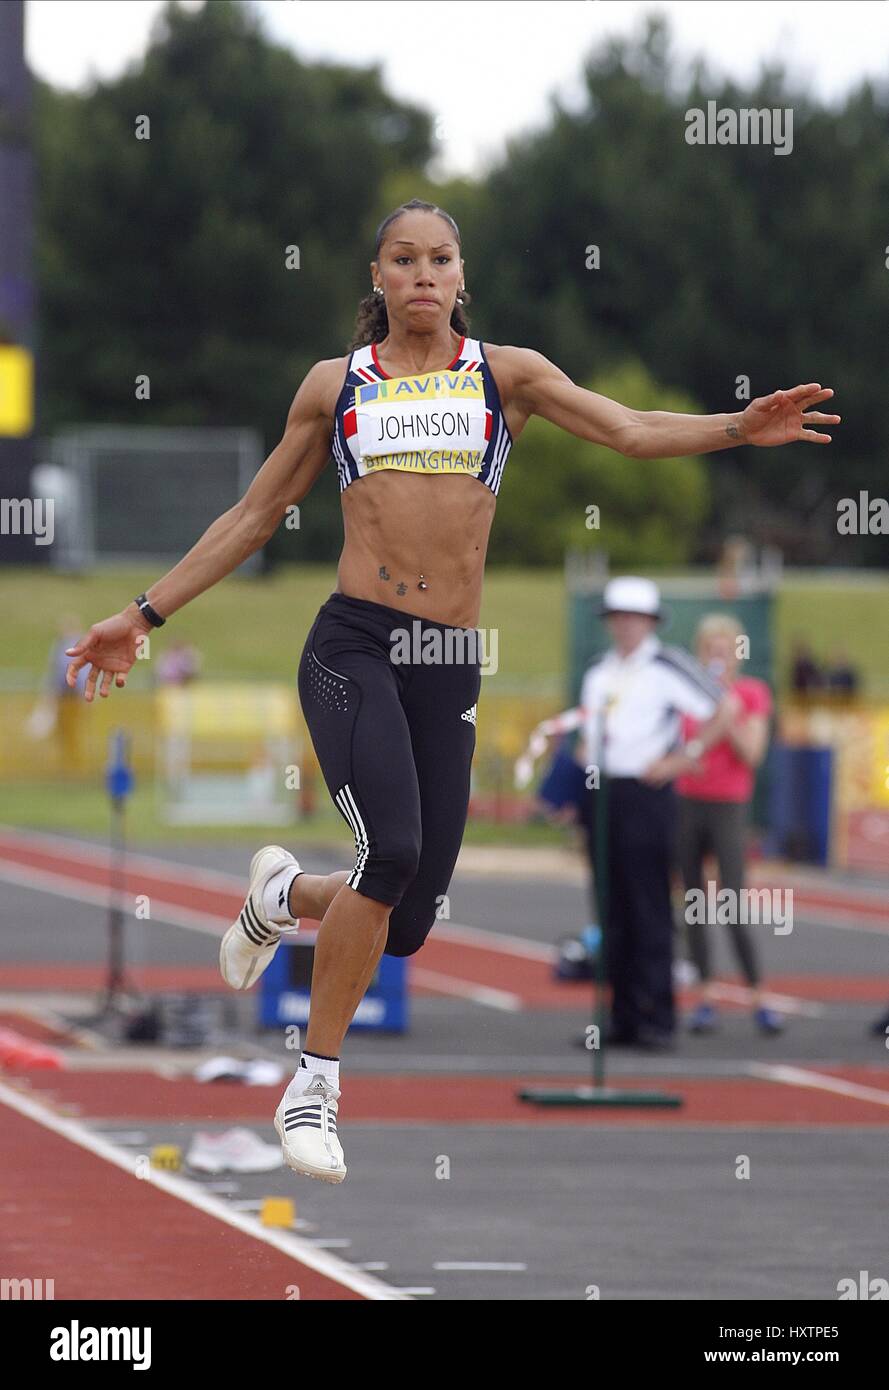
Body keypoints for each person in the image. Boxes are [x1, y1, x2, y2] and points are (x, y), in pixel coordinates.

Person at [64, 198, 840, 1180]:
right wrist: (143, 613)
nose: (423, 275)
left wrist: (738, 425)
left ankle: (279, 893)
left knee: (409, 919)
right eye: (404, 259)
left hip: (447, 661)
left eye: (439, 259)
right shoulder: (334, 385)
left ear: (460, 278)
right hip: (352, 646)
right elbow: (255, 516)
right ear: (379, 278)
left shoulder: (504, 377)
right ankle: (313, 1082)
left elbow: (630, 429)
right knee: (388, 850)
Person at [572, 577, 740, 1048]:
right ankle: (623, 1014)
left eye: (633, 617)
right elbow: (589, 727)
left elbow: (723, 707)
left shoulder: (667, 665)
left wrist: (682, 757)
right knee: (611, 907)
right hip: (604, 791)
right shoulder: (599, 670)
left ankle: (657, 1015)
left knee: (648, 906)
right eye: (618, 617)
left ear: (649, 622)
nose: (625, 625)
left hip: (646, 794)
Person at [675, 613, 780, 1035]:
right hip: (687, 802)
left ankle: (757, 995)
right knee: (693, 902)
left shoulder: (752, 693)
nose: (717, 657)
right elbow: (684, 747)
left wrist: (726, 711)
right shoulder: (685, 694)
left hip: (728, 806)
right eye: (710, 650)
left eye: (725, 650)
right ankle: (704, 996)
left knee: (733, 901)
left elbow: (751, 752)